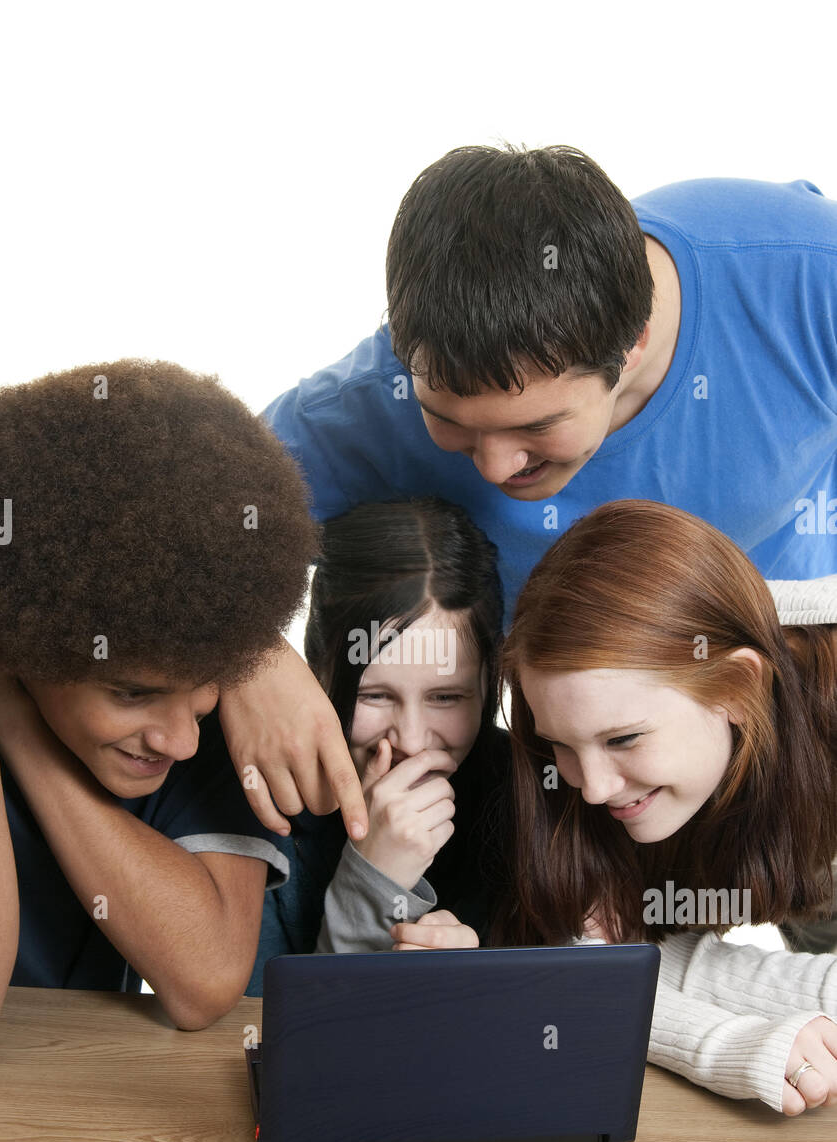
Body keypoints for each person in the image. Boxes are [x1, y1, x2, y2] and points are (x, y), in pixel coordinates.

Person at [214, 142, 837, 881]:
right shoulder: (363, 407)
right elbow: (177, 519)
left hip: (790, 658)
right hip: (578, 743)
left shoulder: (803, 274)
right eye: (450, 421)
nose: (493, 466)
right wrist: (247, 654)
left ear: (632, 344)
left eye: (536, 429)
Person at [414, 500, 837, 1115]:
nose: (592, 788)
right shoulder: (574, 760)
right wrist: (730, 1044)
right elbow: (585, 966)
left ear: (739, 689)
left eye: (624, 739)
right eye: (560, 744)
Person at [0, 359, 317, 1066]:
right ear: (24, 645)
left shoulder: (202, 708)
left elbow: (206, 980)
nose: (181, 740)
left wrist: (21, 727)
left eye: (206, 686)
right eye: (130, 693)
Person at [245, 497, 510, 993]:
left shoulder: (536, 794)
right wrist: (373, 880)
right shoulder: (260, 805)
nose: (410, 740)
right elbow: (267, 1043)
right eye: (375, 695)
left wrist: (479, 994)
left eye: (446, 697)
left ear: (490, 680)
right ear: (316, 669)